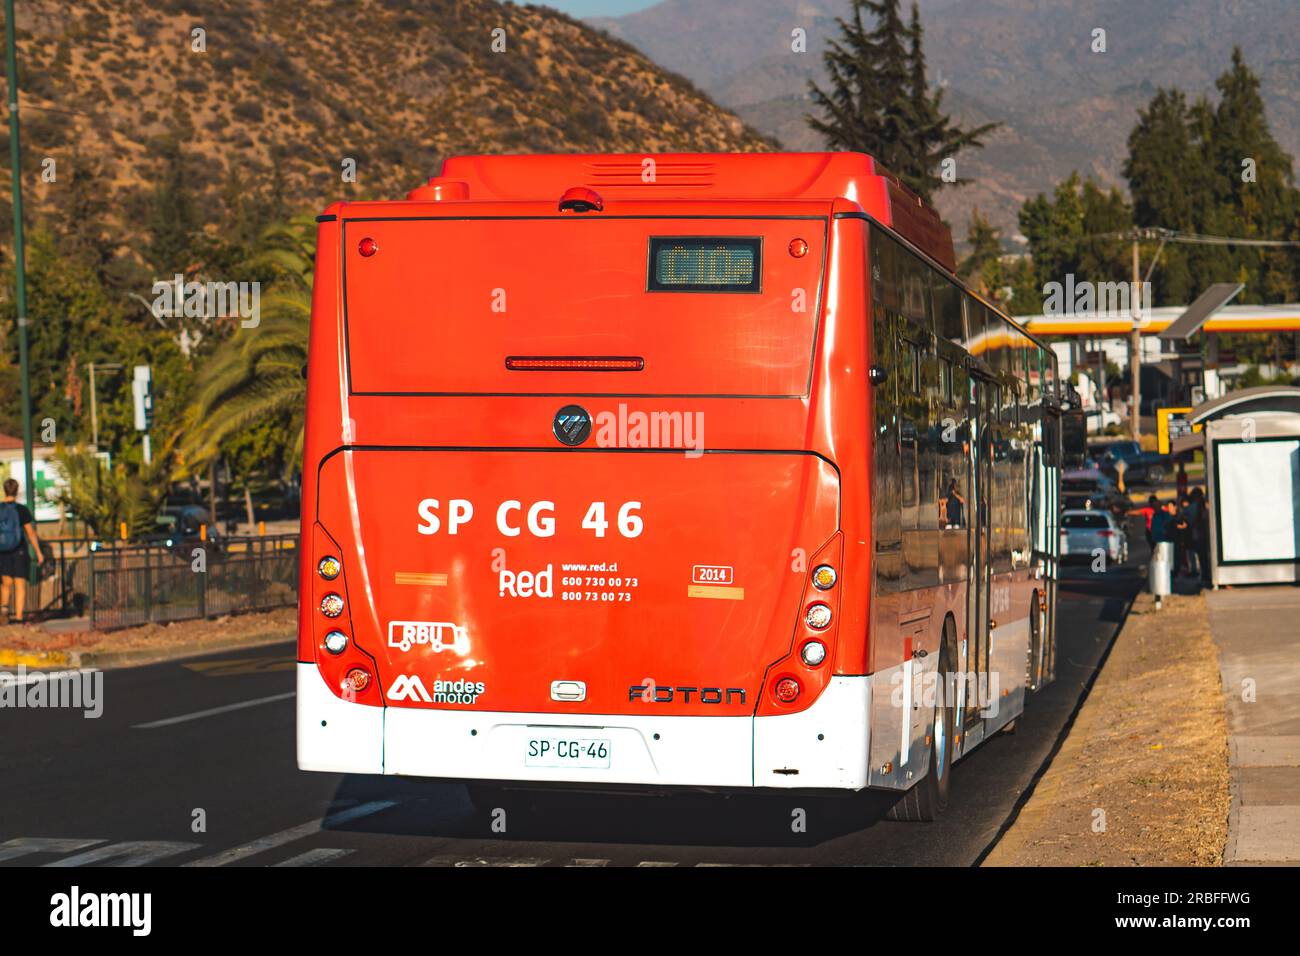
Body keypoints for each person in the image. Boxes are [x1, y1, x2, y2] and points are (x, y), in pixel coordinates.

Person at [0, 478, 41, 624]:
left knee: (5, 584)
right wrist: (38, 552)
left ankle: (4, 608)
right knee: (19, 585)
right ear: (17, 491)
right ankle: (18, 617)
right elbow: (30, 533)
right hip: (19, 550)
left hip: (2, 551)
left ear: (4, 490)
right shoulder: (21, 510)